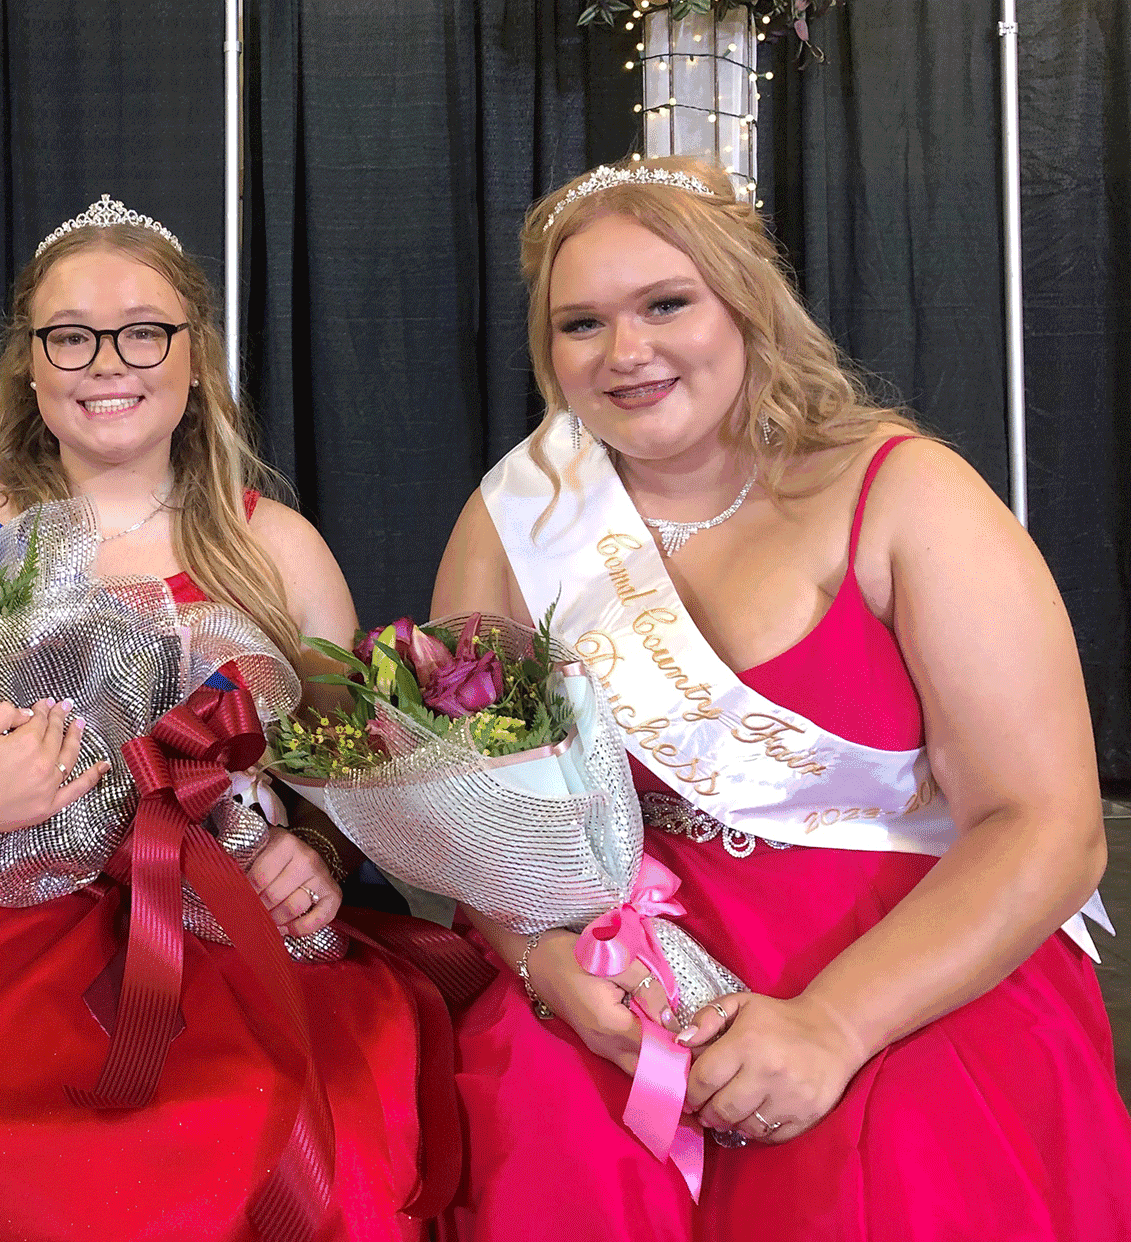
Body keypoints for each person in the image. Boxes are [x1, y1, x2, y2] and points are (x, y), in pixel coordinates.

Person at [429, 157, 1131, 1240]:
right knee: (543, 1137)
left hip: (901, 968)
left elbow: (1047, 826)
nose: (625, 352)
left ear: (747, 304)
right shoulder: (516, 518)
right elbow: (469, 819)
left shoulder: (904, 492)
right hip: (621, 985)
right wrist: (542, 962)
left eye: (666, 304)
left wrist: (833, 1026)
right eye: (581, 324)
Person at [0, 197, 454, 1241]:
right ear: (29, 366)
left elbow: (348, 782)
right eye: (70, 336)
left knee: (269, 1138)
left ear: (195, 358)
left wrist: (312, 853)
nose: (106, 363)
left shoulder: (277, 548)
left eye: (142, 332)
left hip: (220, 928)